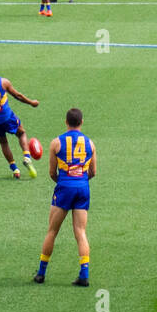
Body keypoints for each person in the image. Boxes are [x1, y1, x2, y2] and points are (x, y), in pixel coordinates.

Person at [34, 107, 96, 287]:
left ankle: (41, 273)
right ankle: (84, 274)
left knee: (52, 231)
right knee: (81, 232)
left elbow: (52, 173)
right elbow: (93, 171)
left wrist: (64, 182)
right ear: (82, 122)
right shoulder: (90, 144)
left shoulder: (56, 143)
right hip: (83, 188)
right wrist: (81, 180)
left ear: (66, 122)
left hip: (64, 188)